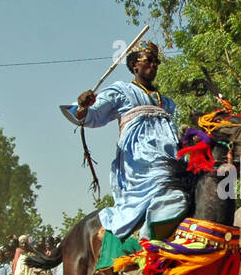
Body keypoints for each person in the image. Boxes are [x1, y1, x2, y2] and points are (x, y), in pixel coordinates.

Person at [60, 41, 187, 243]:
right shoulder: (121, 91)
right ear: (134, 65)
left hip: (170, 156)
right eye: (149, 61)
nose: (153, 65)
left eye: (156, 62)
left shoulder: (167, 102)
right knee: (167, 185)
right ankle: (147, 241)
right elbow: (91, 116)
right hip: (140, 161)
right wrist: (84, 106)